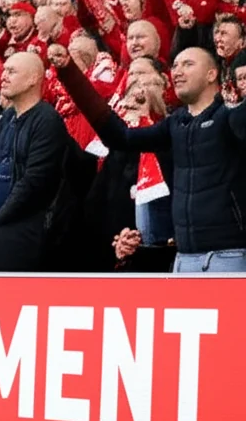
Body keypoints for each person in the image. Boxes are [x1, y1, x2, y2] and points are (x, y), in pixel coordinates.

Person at [54, 46, 246, 272]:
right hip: (183, 259)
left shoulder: (232, 117)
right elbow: (120, 137)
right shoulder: (176, 124)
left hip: (229, 256)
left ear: (212, 74)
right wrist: (69, 73)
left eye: (188, 64)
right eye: (175, 66)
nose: (178, 71)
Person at [0, 52, 70, 271]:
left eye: (12, 71)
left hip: (23, 230)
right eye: (4, 70)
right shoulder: (8, 118)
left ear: (33, 79)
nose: (4, 76)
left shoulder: (47, 120)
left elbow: (34, 182)